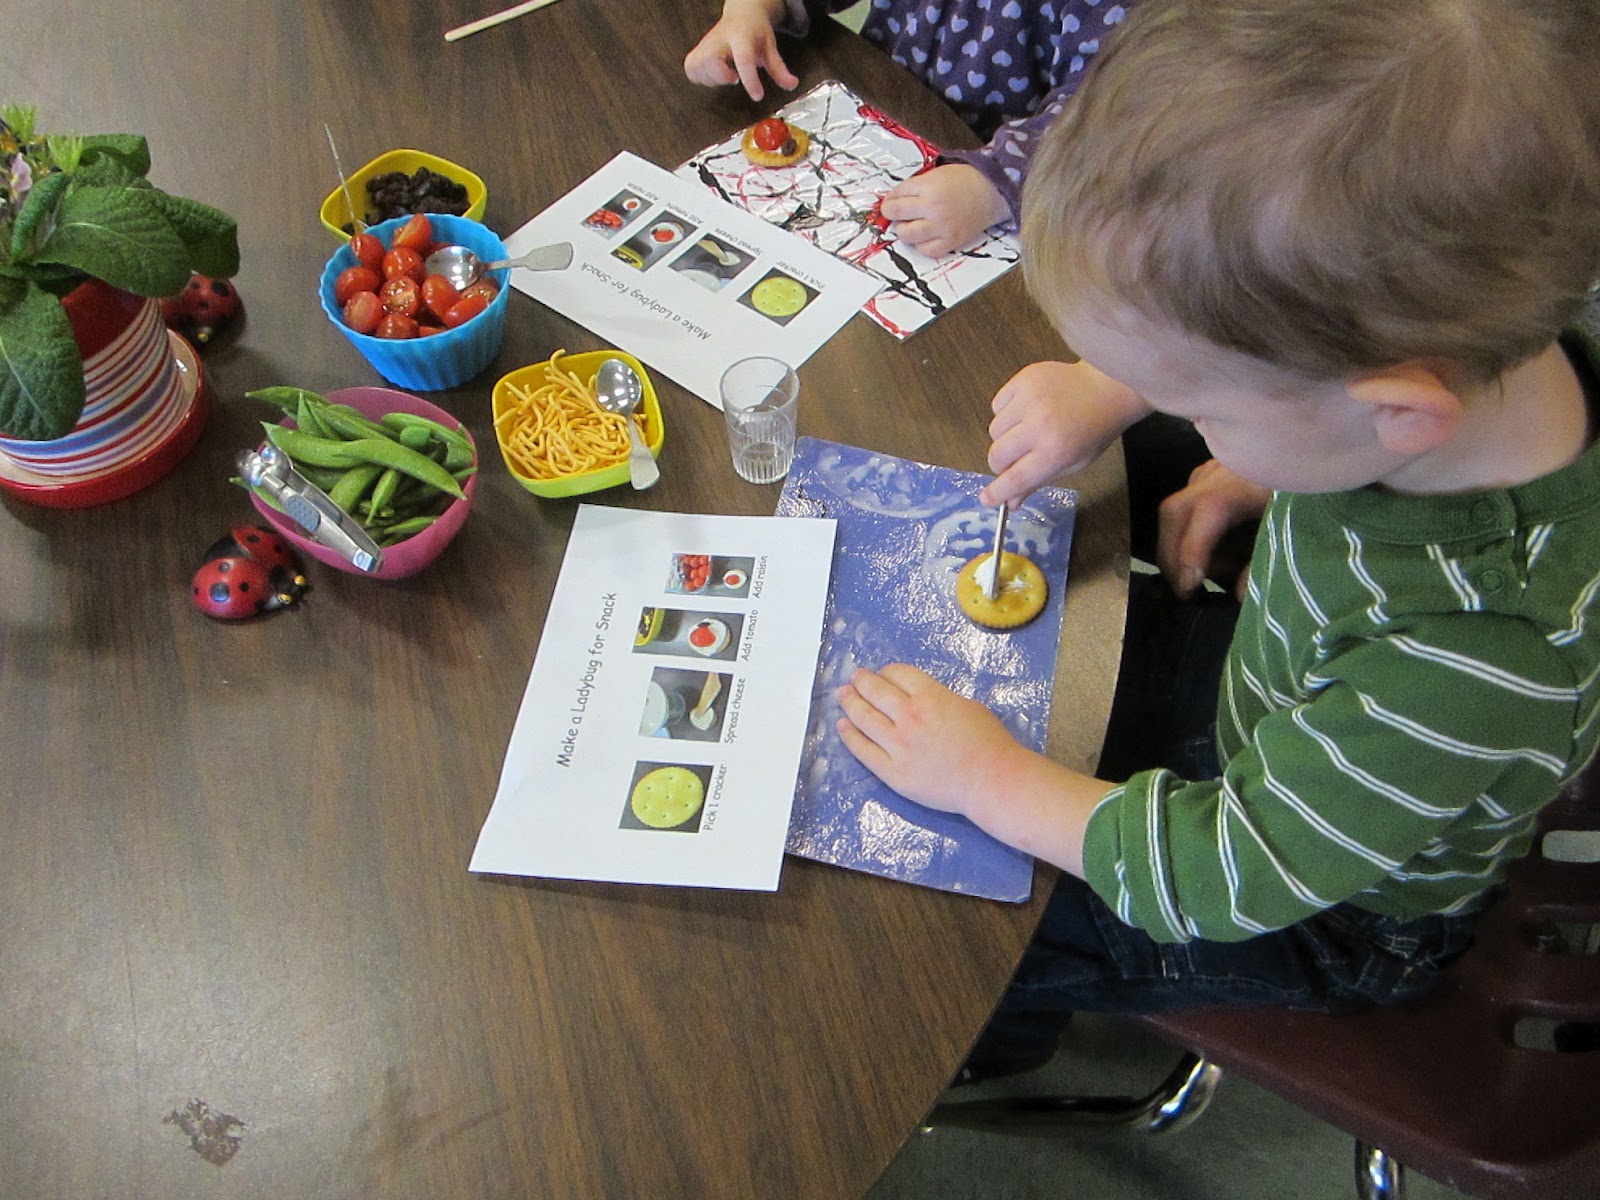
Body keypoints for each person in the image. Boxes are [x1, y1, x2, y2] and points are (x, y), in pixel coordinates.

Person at [834, 0, 1600, 1080]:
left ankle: (981, 1044)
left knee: (960, 931)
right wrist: (1255, 466)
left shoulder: (1474, 653)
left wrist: (984, 783)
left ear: (1396, 416)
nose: (1182, 424)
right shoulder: (1490, 361)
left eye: (1208, 410)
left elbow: (1222, 872)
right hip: (1281, 702)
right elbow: (1335, 424)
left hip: (1325, 912)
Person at [684, 0, 1132, 257]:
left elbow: (1112, 110)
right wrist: (754, 7)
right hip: (879, 131)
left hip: (1018, 204)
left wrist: (995, 183)